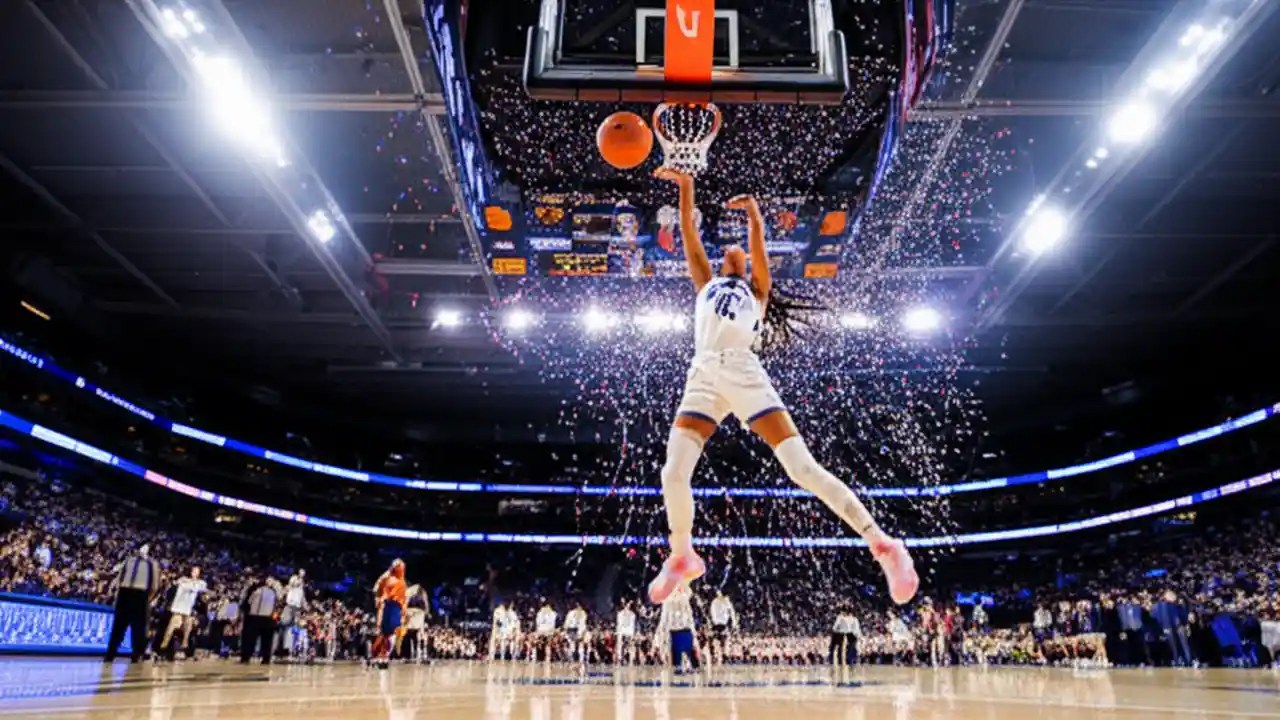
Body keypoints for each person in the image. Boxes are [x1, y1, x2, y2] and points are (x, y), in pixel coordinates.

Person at [646, 168, 917, 606]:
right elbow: (689, 230)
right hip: (702, 375)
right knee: (672, 472)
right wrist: (684, 186)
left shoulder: (757, 291)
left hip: (741, 370)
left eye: (742, 250)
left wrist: (754, 216)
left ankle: (883, 543)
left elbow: (757, 251)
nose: (731, 249)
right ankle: (682, 555)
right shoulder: (706, 284)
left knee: (801, 469)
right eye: (727, 250)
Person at [105, 543, 160, 663]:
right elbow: (120, 578)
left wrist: (147, 599)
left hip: (140, 594)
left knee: (138, 628)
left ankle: (136, 655)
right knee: (118, 626)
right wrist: (118, 594)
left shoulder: (152, 564)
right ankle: (110, 654)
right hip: (125, 593)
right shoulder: (128, 560)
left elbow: (155, 586)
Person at [160, 565, 207, 661]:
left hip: (188, 611)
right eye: (194, 571)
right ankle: (163, 648)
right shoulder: (182, 580)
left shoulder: (200, 583)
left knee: (188, 622)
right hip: (178, 609)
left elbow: (201, 589)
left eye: (197, 571)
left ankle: (184, 647)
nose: (195, 573)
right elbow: (174, 584)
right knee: (170, 628)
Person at [239, 571, 283, 665]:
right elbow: (244, 597)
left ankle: (266, 658)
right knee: (249, 638)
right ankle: (245, 657)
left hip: (268, 617)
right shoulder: (254, 586)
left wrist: (274, 585)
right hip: (253, 616)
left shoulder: (275, 587)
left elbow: (281, 597)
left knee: (267, 640)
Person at [371, 559, 407, 670]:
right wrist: (380, 599)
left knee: (390, 633)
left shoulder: (400, 582)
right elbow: (376, 590)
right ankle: (380, 656)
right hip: (389, 606)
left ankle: (383, 656)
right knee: (386, 633)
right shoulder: (388, 579)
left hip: (395, 607)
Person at [656, 583, 699, 673]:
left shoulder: (684, 601)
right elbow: (664, 619)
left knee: (687, 651)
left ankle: (688, 665)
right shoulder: (668, 602)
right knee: (675, 655)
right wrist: (660, 631)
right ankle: (678, 666)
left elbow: (690, 617)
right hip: (674, 631)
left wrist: (694, 632)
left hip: (684, 630)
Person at [708, 590, 737, 665]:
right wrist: (734, 622)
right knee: (724, 640)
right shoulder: (724, 601)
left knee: (719, 640)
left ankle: (718, 655)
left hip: (717, 624)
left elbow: (711, 613)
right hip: (720, 624)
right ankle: (721, 656)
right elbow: (731, 611)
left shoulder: (715, 601)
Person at [615, 601, 638, 665]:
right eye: (626, 605)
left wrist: (632, 634)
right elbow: (619, 624)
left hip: (629, 631)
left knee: (631, 645)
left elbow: (632, 625)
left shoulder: (632, 614)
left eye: (629, 605)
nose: (627, 607)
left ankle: (631, 659)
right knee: (620, 644)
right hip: (622, 631)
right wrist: (618, 634)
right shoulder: (620, 614)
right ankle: (620, 658)